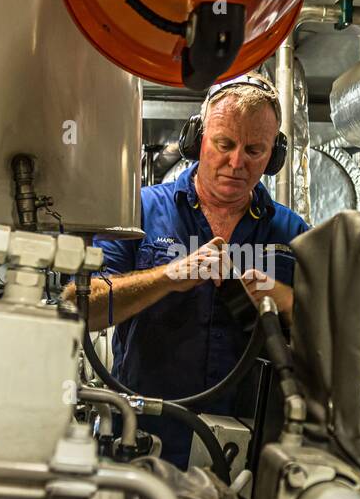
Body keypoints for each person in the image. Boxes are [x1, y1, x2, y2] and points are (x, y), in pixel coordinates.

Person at [68, 73, 310, 467]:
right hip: (147, 438)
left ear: (274, 156)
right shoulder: (138, 211)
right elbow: (79, 307)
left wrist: (280, 298)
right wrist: (169, 276)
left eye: (254, 150)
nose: (236, 163)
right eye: (224, 144)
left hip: (249, 451)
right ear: (198, 140)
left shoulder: (291, 232)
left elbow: (331, 336)